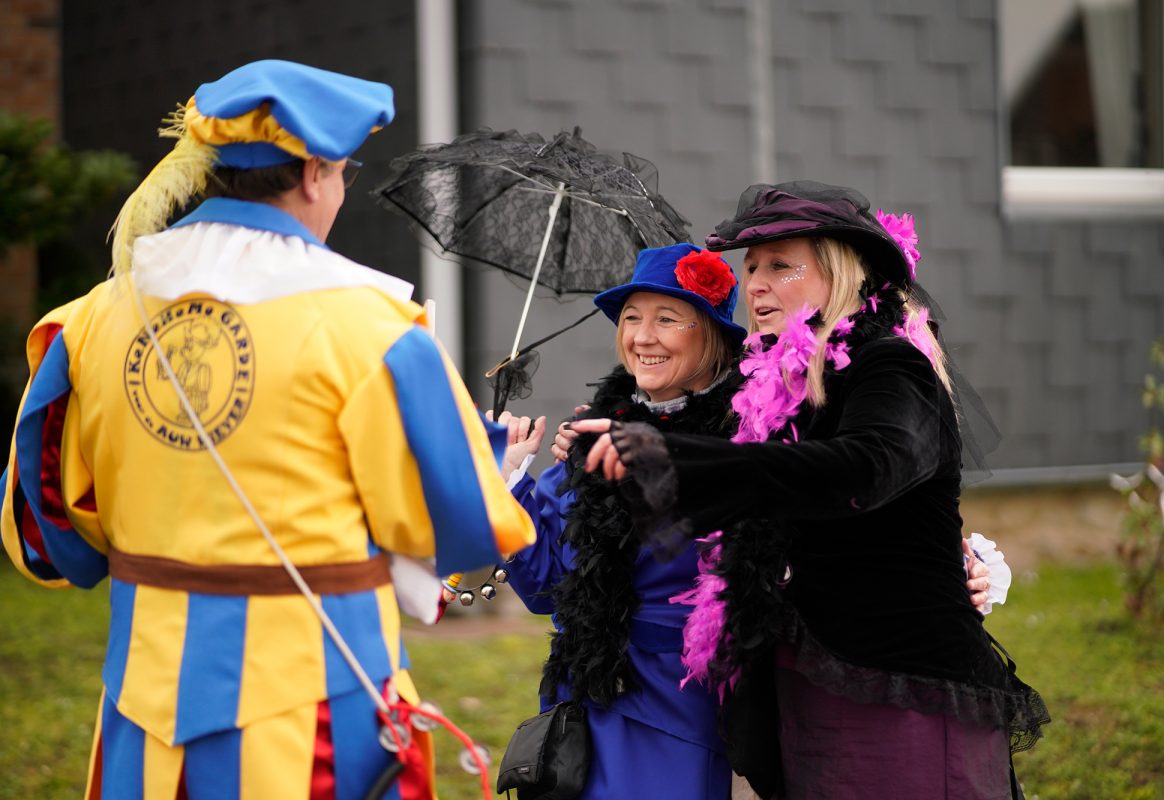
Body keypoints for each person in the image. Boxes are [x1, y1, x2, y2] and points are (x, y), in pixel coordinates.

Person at [0, 60, 534, 800]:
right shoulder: (373, 328)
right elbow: (463, 526)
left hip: (141, 705)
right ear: (314, 173)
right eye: (343, 175)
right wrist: (490, 456)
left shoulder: (86, 321)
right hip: (312, 712)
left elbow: (48, 528)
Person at [575, 181, 1048, 799]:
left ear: (840, 274)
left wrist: (678, 458)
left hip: (897, 683)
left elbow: (866, 466)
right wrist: (602, 441)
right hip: (809, 683)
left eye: (780, 266)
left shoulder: (890, 364)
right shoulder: (781, 387)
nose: (755, 284)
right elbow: (718, 433)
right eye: (751, 268)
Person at [494, 242, 746, 799]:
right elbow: (547, 589)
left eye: (667, 319)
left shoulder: (744, 437)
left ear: (710, 334)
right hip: (583, 710)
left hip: (680, 711)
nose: (642, 337)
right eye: (632, 318)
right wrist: (509, 481)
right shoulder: (594, 435)